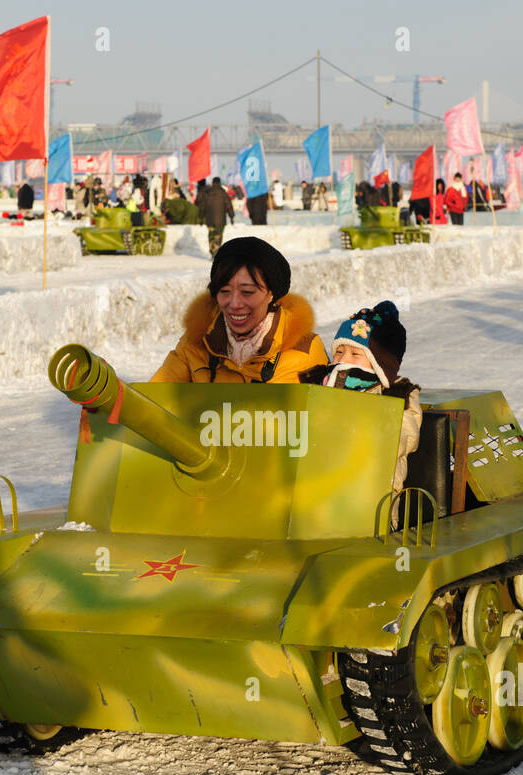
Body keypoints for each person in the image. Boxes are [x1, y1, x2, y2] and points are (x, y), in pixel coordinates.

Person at [299, 301, 421, 528]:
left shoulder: (397, 395)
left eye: (356, 354)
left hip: (372, 499)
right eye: (339, 352)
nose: (343, 360)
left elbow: (404, 438)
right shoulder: (318, 387)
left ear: (380, 365)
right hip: (318, 496)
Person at [151, 236, 328, 384]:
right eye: (225, 291)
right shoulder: (194, 344)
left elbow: (325, 417)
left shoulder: (305, 350)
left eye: (247, 292)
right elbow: (154, 401)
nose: (234, 303)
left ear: (271, 294)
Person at [199, 175, 234, 256]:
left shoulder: (207, 192)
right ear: (219, 183)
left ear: (213, 182)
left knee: (211, 235)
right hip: (220, 220)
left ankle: (212, 251)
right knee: (218, 236)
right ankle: (216, 252)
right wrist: (231, 216)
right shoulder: (223, 192)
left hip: (209, 220)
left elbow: (202, 206)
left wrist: (200, 218)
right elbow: (229, 205)